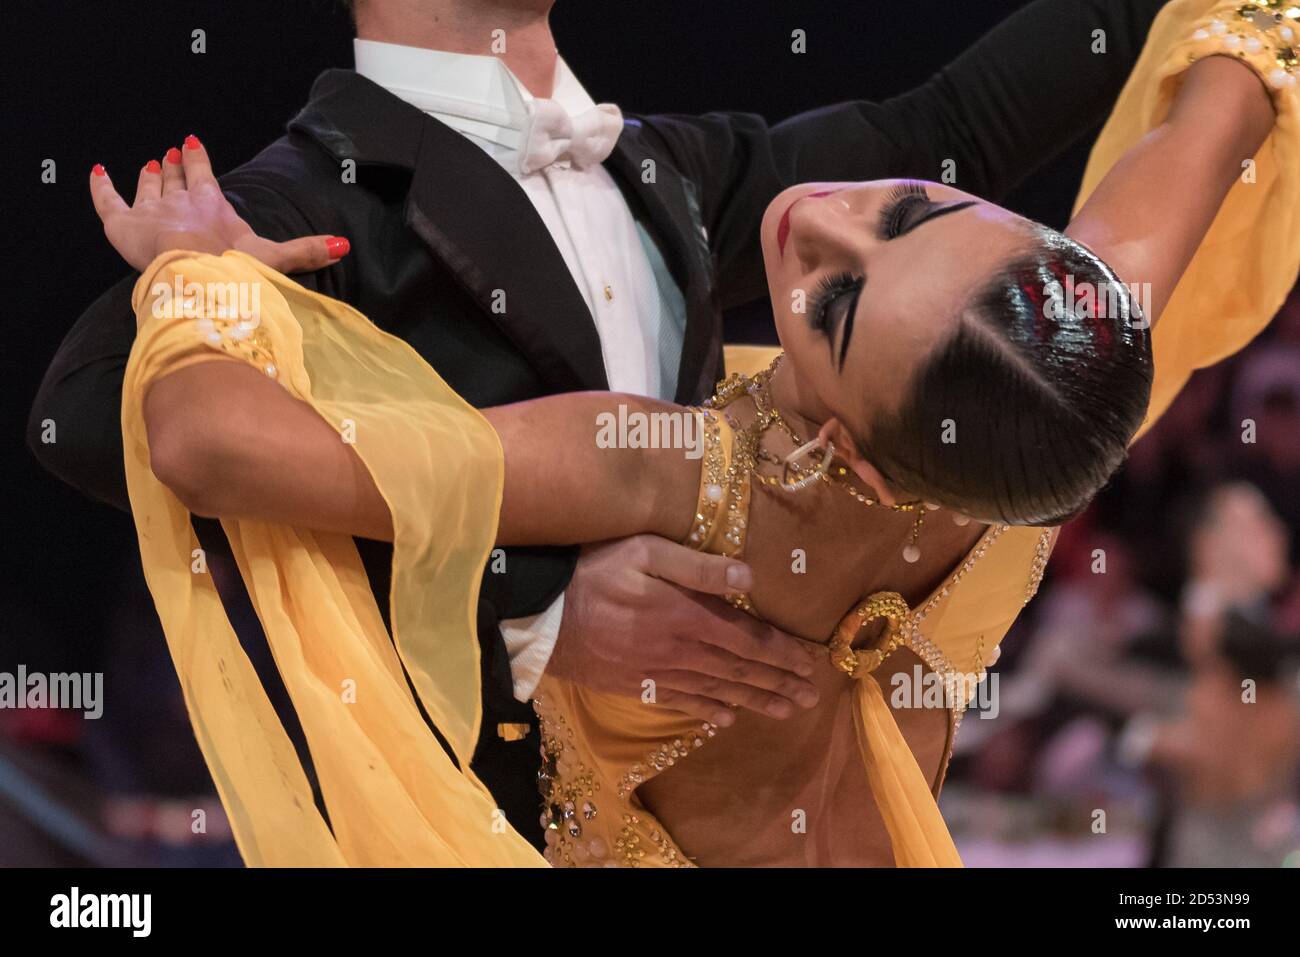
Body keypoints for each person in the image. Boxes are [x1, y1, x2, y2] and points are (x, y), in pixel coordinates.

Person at [84, 0, 1300, 865]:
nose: (812, 222)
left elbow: (202, 441)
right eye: (907, 205)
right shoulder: (1040, 414)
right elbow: (1212, 120)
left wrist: (203, 282)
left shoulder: (674, 474)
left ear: (851, 453)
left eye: (833, 304)